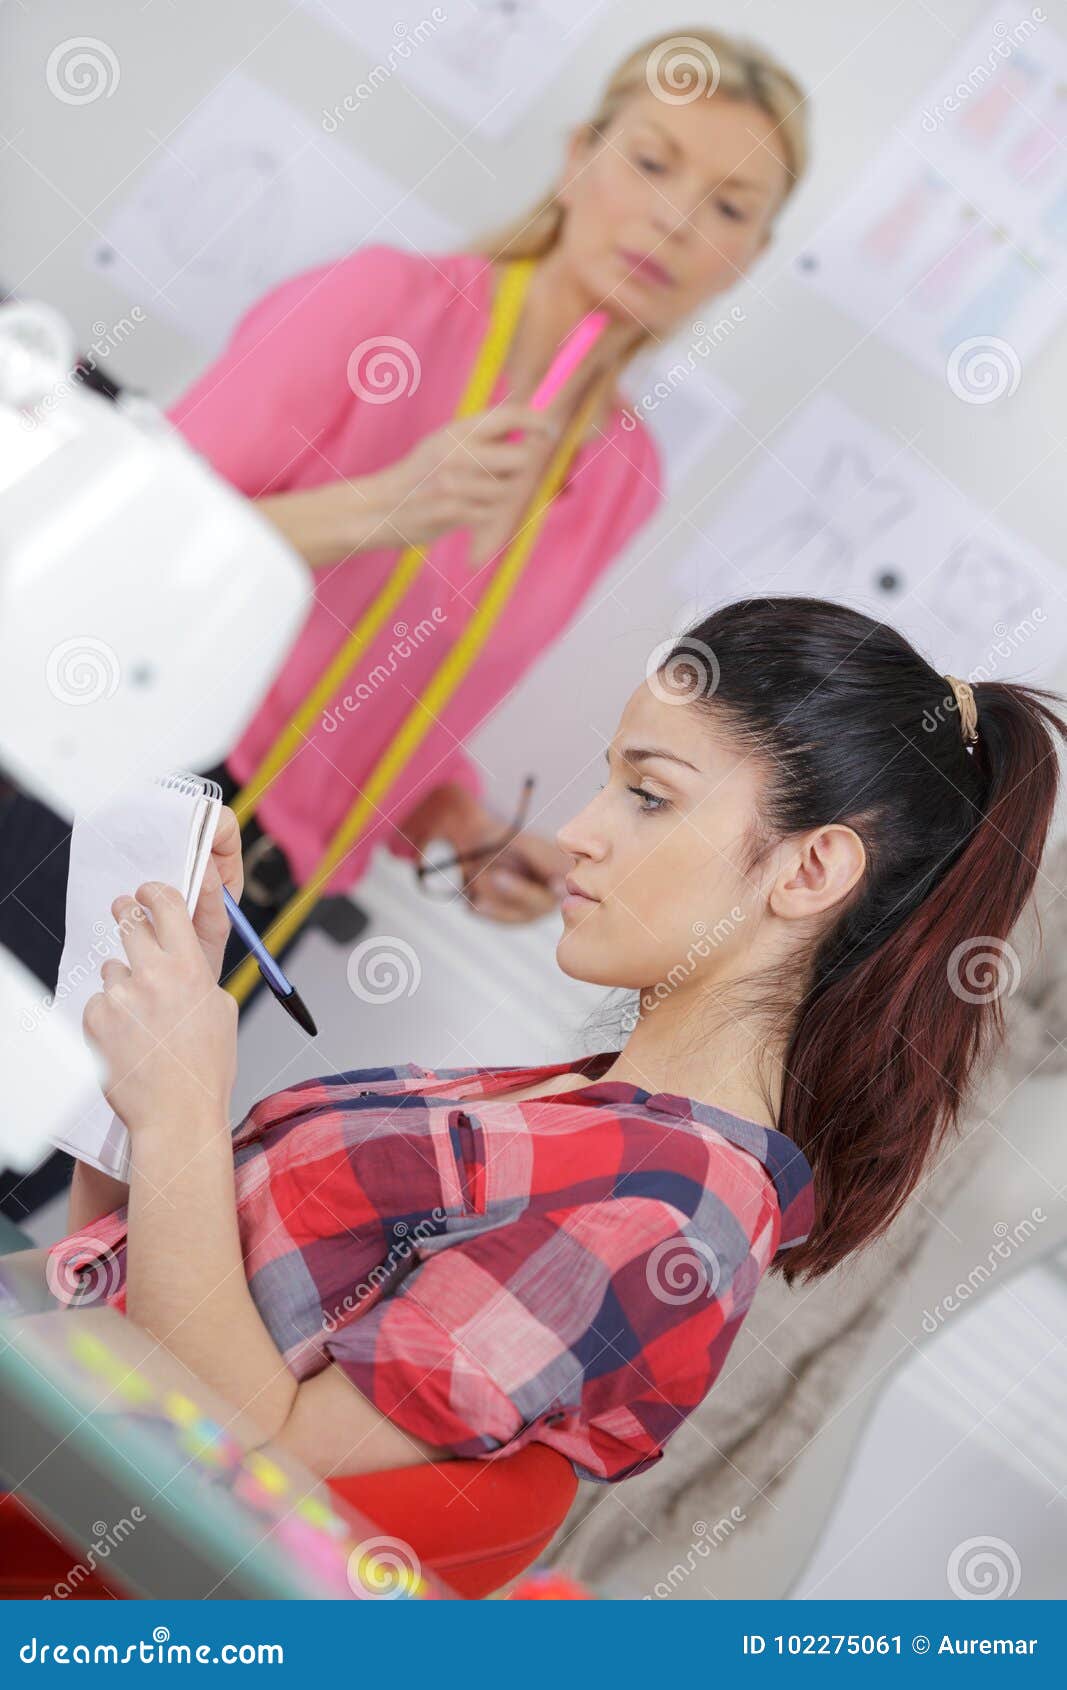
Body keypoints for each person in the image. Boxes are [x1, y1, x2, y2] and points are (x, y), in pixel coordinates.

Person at [0, 22, 810, 1217]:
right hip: (109, 806)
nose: (679, 221)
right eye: (651, 162)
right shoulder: (383, 303)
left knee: (33, 1195)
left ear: (751, 255)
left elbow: (401, 687)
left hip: (253, 891)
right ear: (580, 155)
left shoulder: (620, 472)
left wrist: (459, 820)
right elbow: (130, 535)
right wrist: (387, 503)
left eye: (731, 205)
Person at [33, 596, 1067, 1486]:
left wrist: (175, 1109)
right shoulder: (575, 1110)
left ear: (807, 872)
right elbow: (114, 1275)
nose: (579, 828)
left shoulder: (668, 1219)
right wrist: (145, 1034)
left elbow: (251, 1478)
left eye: (649, 795)